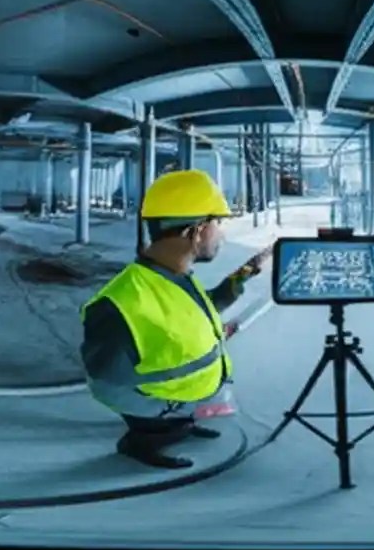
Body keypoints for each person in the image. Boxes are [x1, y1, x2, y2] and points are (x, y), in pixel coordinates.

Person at [80, 169, 270, 469]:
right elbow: (106, 381)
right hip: (163, 403)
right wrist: (168, 406)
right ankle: (142, 440)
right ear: (193, 232)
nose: (220, 234)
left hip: (183, 400)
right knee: (161, 423)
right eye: (215, 224)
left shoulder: (174, 277)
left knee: (181, 415)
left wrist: (247, 271)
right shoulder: (120, 302)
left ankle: (178, 420)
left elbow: (195, 307)